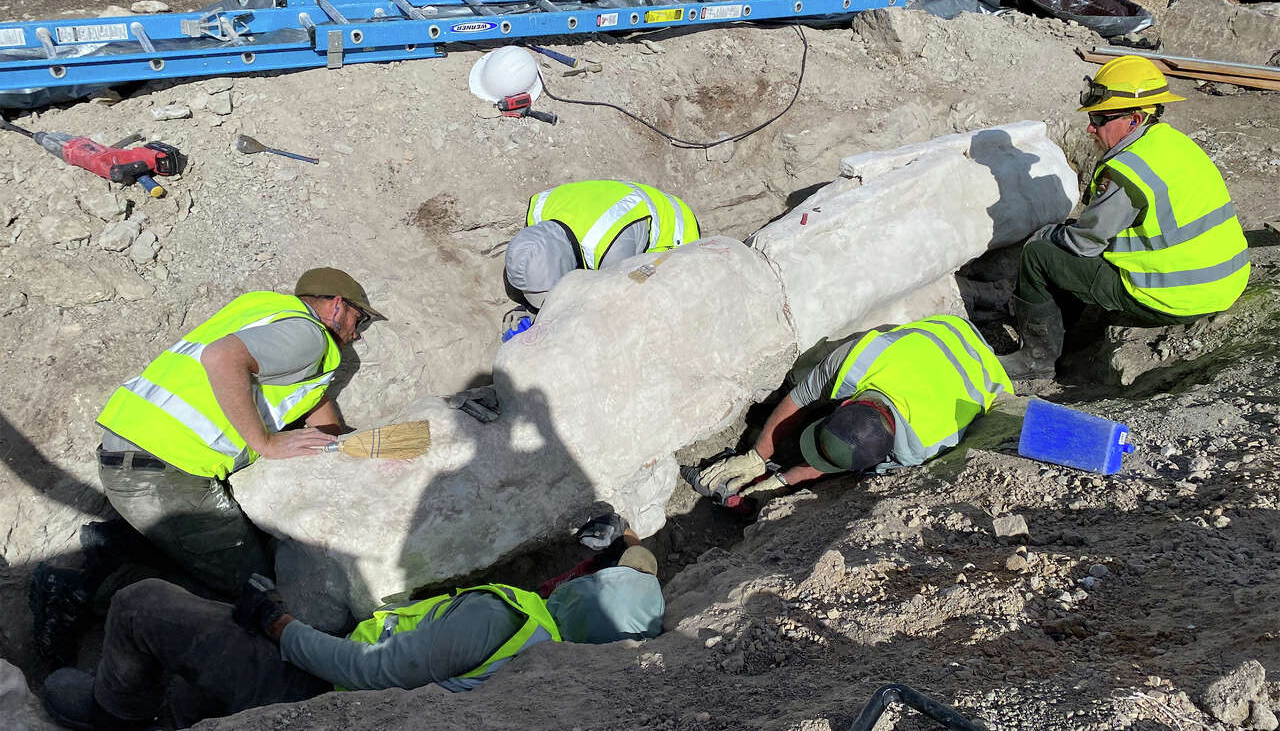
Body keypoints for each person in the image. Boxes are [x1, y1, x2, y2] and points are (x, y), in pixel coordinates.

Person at [30, 268, 382, 663]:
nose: (358, 334)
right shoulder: (309, 337)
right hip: (163, 469)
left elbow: (312, 403)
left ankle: (121, 545)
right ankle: (78, 591)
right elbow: (223, 358)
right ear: (337, 306)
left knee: (229, 543)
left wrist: (344, 446)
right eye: (360, 319)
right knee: (252, 590)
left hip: (138, 450)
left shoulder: (266, 313)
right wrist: (265, 443)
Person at [40, 518, 664, 731]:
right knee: (202, 663)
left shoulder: (501, 617)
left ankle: (116, 714)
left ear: (586, 592)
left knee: (145, 602)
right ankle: (181, 703)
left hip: (316, 689)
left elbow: (371, 672)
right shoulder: (558, 658)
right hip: (340, 680)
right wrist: (630, 544)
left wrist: (278, 623)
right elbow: (632, 580)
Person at [1000, 55, 1250, 380]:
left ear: (1133, 119)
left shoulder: (1127, 172)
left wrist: (1047, 234)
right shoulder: (1174, 144)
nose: (1091, 127)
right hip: (1225, 281)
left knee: (1039, 255)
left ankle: (1036, 361)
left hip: (1175, 296)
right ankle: (1069, 331)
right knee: (1071, 245)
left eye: (1099, 118)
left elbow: (1085, 243)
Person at [696, 315, 1011, 499]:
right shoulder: (857, 363)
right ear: (845, 402)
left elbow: (849, 460)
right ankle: (768, 426)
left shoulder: (920, 449)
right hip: (946, 329)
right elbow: (801, 397)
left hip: (989, 373)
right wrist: (757, 456)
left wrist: (783, 481)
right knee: (808, 368)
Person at [503, 179, 700, 313]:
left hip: (673, 230)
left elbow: (613, 305)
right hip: (619, 202)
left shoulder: (610, 249)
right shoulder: (538, 210)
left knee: (644, 298)